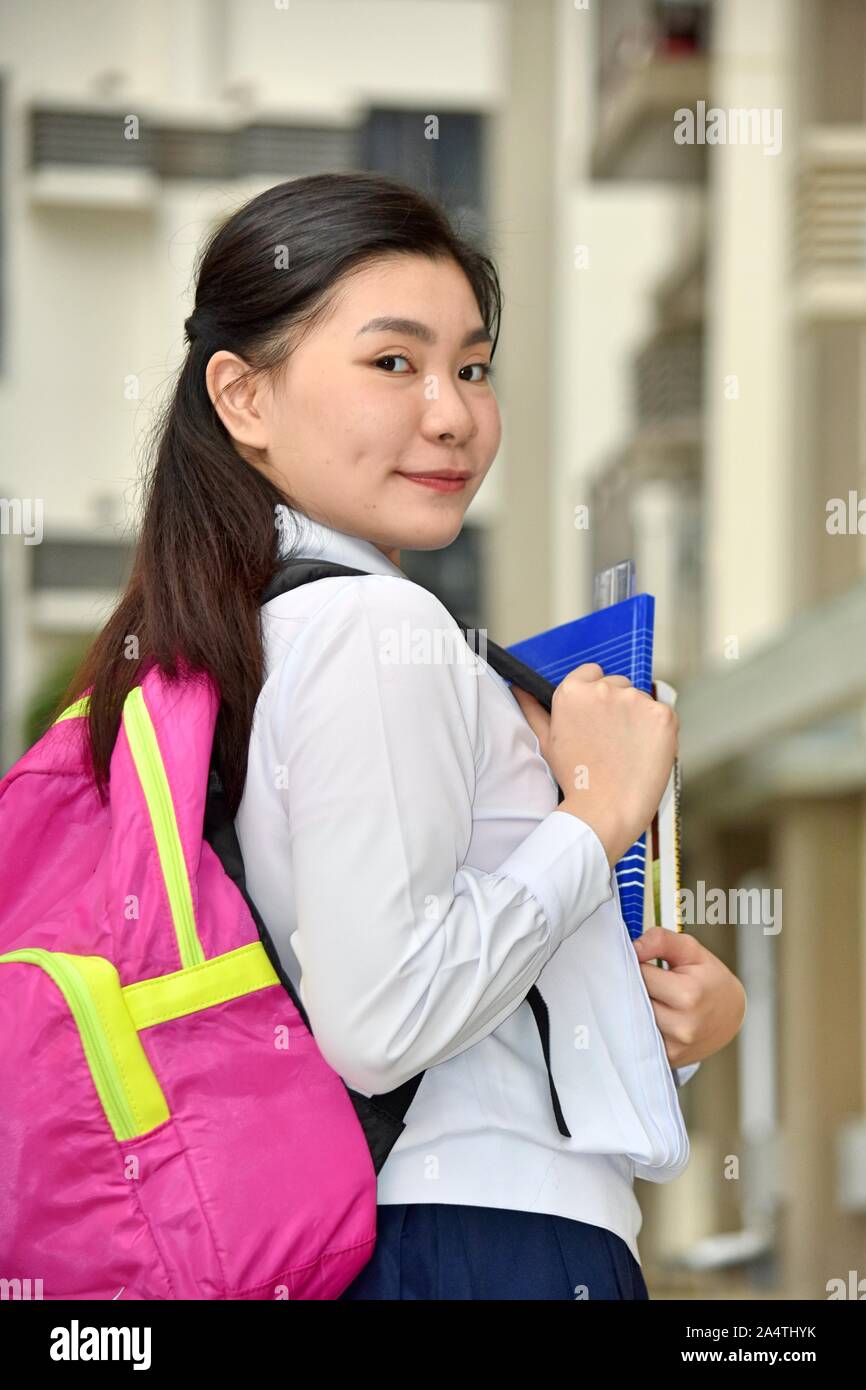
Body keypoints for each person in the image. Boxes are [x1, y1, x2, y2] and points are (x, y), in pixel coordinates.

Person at [61, 170, 746, 1300]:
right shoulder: (376, 625)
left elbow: (394, 981)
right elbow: (382, 1021)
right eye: (393, 362)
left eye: (471, 367)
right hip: (474, 1244)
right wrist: (598, 814)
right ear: (242, 397)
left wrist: (651, 1019)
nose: (451, 414)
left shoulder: (232, 634)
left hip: (394, 1230)